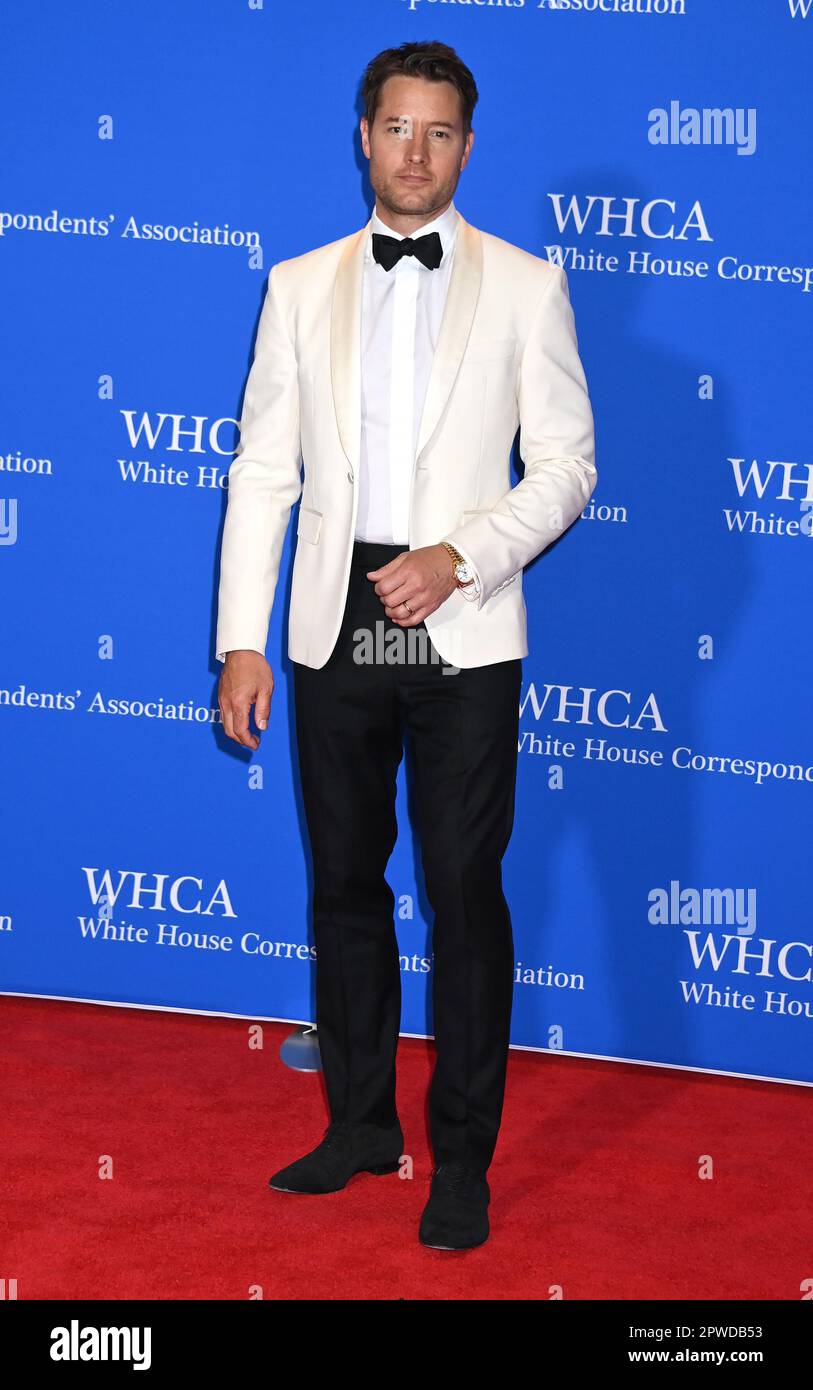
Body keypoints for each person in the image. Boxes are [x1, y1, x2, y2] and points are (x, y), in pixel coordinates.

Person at [215, 40, 596, 1251]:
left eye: (439, 133)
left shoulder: (527, 286)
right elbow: (264, 471)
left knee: (466, 896)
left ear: (467, 147)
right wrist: (240, 638)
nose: (415, 152)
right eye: (396, 127)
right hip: (335, 620)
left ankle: (464, 1159)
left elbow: (571, 468)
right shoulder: (297, 283)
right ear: (363, 135)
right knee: (344, 887)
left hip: (465, 629)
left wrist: (464, 555)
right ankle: (363, 1124)